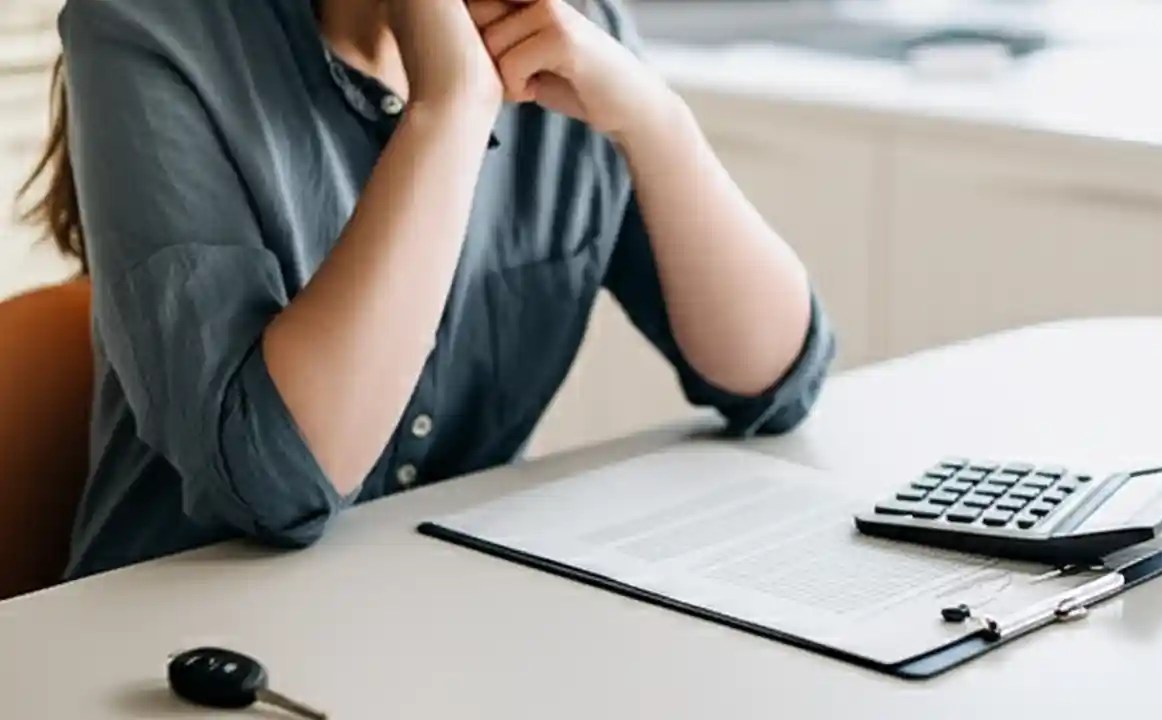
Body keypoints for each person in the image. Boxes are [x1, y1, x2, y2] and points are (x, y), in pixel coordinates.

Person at [19, 0, 835, 579]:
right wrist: (448, 110)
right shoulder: (144, 25)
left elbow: (772, 379)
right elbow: (275, 485)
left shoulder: (573, 29)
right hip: (171, 648)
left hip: (440, 621)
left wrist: (657, 124)